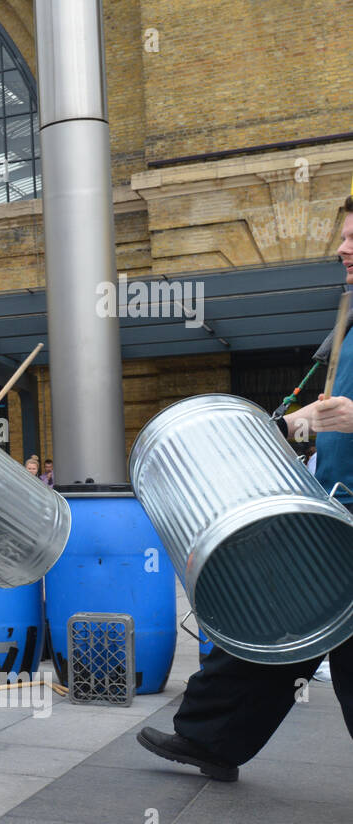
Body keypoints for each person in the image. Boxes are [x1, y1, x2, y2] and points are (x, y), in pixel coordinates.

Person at [138, 194, 353, 781]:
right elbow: (334, 410)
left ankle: (214, 737)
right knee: (281, 624)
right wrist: (288, 425)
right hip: (335, 512)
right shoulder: (352, 318)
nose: (342, 248)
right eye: (343, 236)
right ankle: (213, 738)